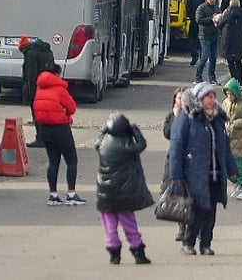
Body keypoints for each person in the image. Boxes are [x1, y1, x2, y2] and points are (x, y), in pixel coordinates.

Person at [169, 82, 239, 256]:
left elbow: (225, 147)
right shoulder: (187, 117)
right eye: (207, 96)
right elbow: (176, 146)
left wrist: (231, 168)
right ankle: (188, 242)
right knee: (198, 208)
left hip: (215, 173)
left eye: (213, 96)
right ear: (199, 98)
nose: (211, 99)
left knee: (211, 211)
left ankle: (206, 244)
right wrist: (176, 173)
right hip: (195, 173)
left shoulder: (217, 118)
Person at [95, 112, 154, 265]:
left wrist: (104, 130)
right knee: (129, 223)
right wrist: (135, 130)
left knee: (109, 224)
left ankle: (114, 254)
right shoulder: (128, 144)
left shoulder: (103, 143)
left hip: (105, 193)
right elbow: (141, 145)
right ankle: (138, 252)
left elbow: (96, 143)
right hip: (124, 193)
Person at [33, 63, 85, 206]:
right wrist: (66, 114)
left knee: (53, 162)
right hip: (61, 129)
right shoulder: (60, 89)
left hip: (45, 129)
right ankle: (71, 194)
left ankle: (53, 195)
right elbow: (72, 107)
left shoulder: (39, 88)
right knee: (71, 161)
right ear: (56, 74)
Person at [162, 87, 189, 243]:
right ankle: (182, 228)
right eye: (178, 98)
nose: (180, 101)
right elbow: (168, 134)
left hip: (190, 160)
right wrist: (177, 117)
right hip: (174, 160)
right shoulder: (171, 116)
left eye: (182, 98)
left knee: (190, 195)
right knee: (178, 195)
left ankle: (193, 226)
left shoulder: (192, 116)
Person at [221, 78, 242, 201]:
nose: (229, 96)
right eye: (227, 93)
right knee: (226, 165)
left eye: (231, 93)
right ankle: (236, 183)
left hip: (240, 139)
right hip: (228, 138)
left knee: (240, 165)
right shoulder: (225, 102)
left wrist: (235, 123)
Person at [216, 0, 242, 85]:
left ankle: (234, 79)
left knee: (230, 60)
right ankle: (240, 81)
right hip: (239, 39)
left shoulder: (227, 13)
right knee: (238, 60)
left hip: (228, 39)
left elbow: (220, 24)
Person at [194, 0, 221, 84]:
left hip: (214, 35)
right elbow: (198, 20)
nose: (212, 0)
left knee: (213, 58)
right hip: (204, 35)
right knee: (204, 56)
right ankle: (198, 76)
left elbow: (220, 19)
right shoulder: (201, 8)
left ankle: (212, 78)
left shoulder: (217, 8)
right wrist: (211, 18)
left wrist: (218, 20)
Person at [186, 0, 212, 66]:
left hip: (194, 20)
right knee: (204, 39)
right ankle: (203, 58)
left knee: (192, 37)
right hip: (206, 21)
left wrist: (191, 16)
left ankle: (194, 54)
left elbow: (188, 7)